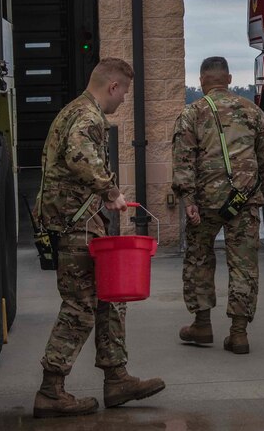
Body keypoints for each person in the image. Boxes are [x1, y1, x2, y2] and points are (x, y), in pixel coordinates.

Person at [33, 57, 165, 417]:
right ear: (113, 87)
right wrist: (110, 191)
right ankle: (51, 389)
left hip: (80, 223)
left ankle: (117, 378)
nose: (124, 100)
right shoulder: (88, 116)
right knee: (80, 306)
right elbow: (79, 154)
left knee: (110, 297)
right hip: (75, 225)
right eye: (124, 92)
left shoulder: (75, 110)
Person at [172, 57, 264, 354]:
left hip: (204, 202)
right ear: (229, 78)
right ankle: (239, 333)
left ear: (202, 80)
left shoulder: (192, 113)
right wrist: (256, 190)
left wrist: (188, 199)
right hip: (243, 201)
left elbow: (183, 159)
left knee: (199, 258)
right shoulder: (253, 112)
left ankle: (202, 324)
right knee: (243, 264)